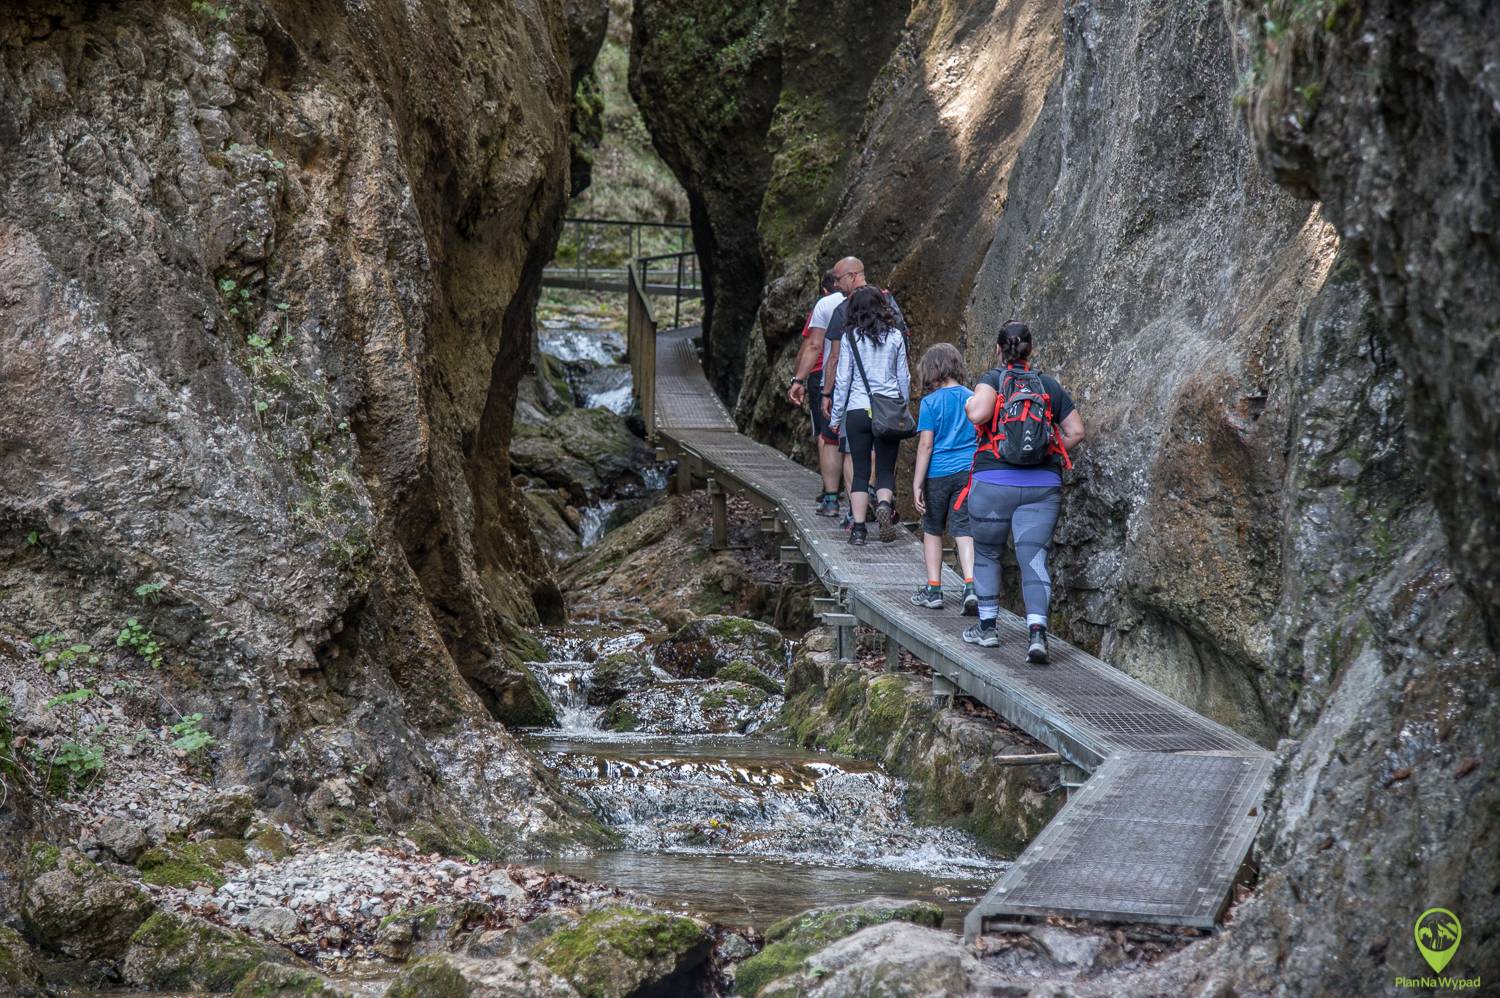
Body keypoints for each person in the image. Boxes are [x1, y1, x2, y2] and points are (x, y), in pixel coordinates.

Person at [960, 321, 1084, 663]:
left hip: (993, 483)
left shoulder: (993, 379)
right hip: (1042, 486)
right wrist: (1046, 448)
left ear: (999, 349)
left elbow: (978, 412)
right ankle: (1038, 636)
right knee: (1034, 558)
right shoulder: (1047, 385)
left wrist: (972, 404)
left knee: (986, 554)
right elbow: (1076, 431)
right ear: (1031, 350)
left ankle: (987, 629)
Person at [820, 257, 907, 525]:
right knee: (884, 467)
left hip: (857, 408)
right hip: (888, 406)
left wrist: (832, 406)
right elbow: (903, 374)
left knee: (857, 466)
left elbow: (840, 372)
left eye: (839, 278)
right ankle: (882, 503)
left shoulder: (849, 333)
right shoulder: (894, 333)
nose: (836, 284)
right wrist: (902, 403)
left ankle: (856, 525)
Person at [909, 343, 978, 615]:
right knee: (963, 529)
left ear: (932, 370)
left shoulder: (930, 403)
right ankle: (970, 586)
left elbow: (926, 445)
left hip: (938, 472)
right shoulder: (972, 397)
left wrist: (917, 483)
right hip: (967, 473)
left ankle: (934, 589)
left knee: (932, 528)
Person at [786, 270, 844, 516]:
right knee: (859, 438)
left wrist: (797, 378)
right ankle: (866, 497)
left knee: (827, 434)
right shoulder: (872, 301)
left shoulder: (824, 305)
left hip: (823, 375)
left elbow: (811, 344)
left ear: (824, 290)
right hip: (862, 380)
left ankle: (830, 494)